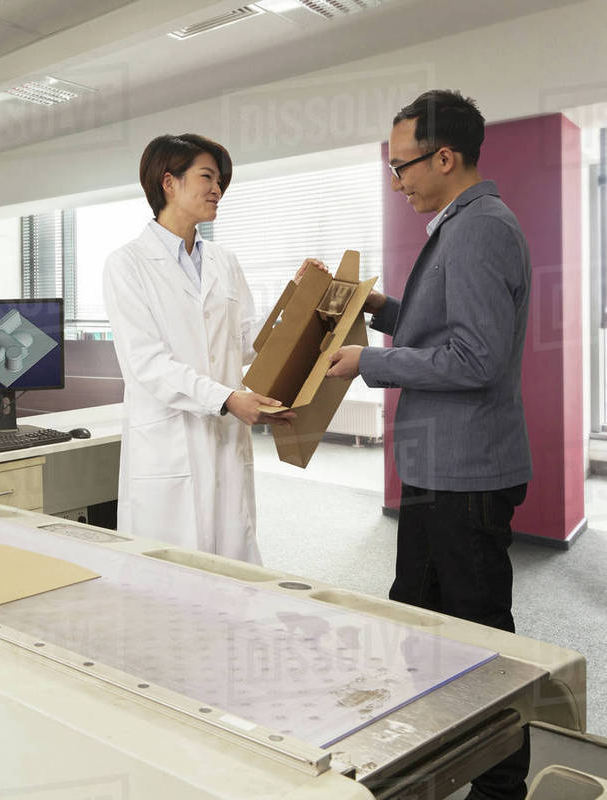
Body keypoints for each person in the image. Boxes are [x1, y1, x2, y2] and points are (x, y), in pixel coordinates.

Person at [326, 90, 531, 800]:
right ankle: (433, 763)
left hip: (464, 473)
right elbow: (441, 327)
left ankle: (500, 786)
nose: (397, 182)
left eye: (401, 166)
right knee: (419, 618)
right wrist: (379, 310)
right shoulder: (462, 225)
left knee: (477, 639)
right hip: (440, 467)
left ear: (445, 157)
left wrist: (369, 361)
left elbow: (476, 359)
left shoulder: (479, 229)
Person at [103, 133, 322, 564]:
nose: (217, 189)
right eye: (207, 177)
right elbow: (146, 364)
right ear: (169, 182)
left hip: (224, 438)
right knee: (169, 573)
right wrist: (226, 399)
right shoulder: (126, 264)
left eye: (220, 181)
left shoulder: (225, 261)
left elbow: (245, 342)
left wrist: (295, 301)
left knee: (232, 567)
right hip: (169, 439)